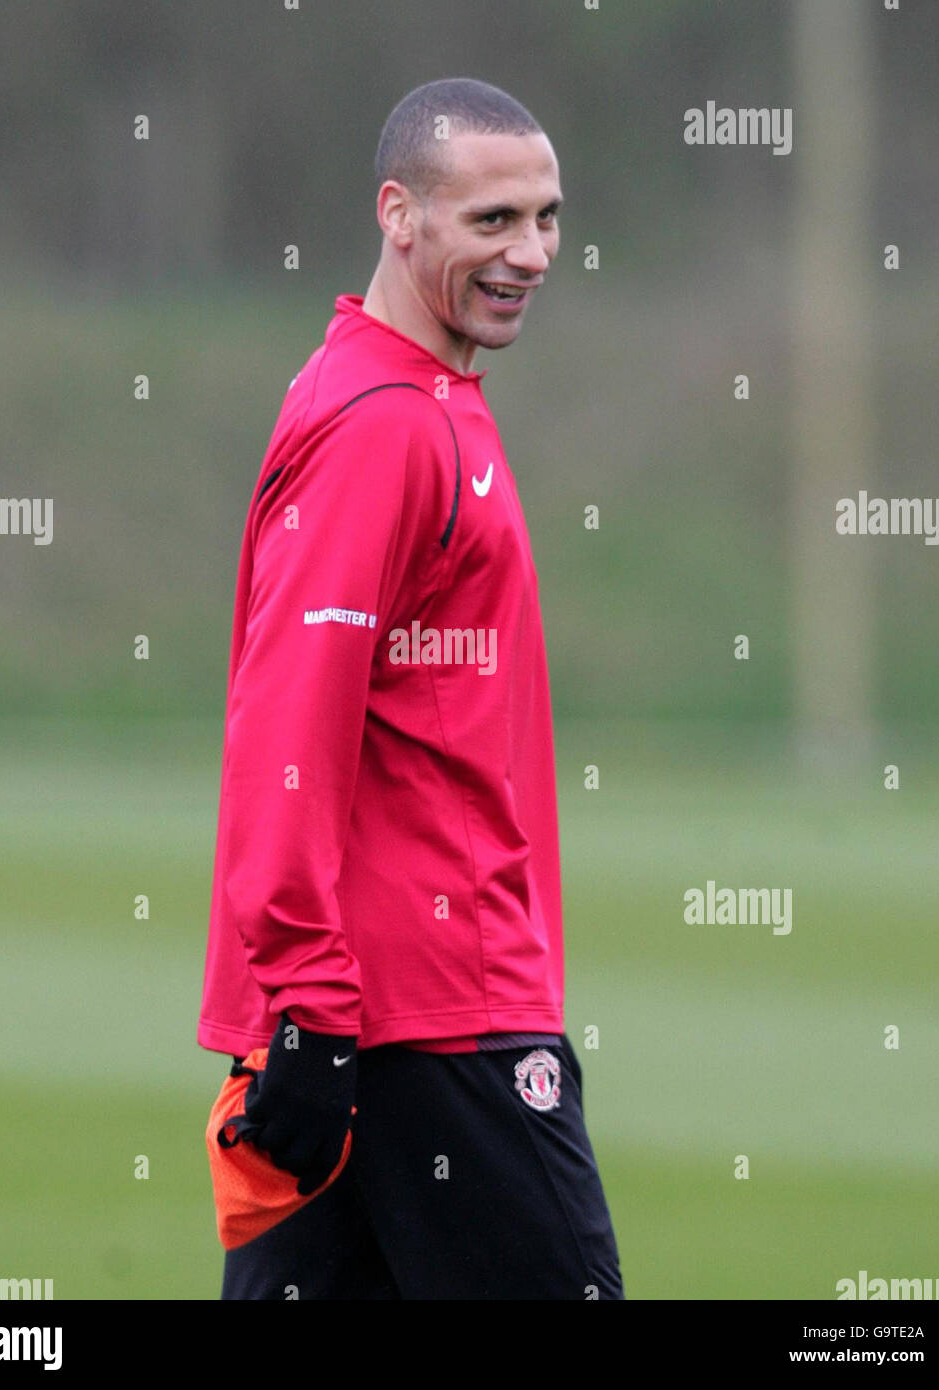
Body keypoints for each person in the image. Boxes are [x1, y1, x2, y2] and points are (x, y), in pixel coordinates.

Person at [199, 76, 625, 1300]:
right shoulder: (384, 423)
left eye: (546, 218)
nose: (532, 252)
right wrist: (314, 1004)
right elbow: (289, 718)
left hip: (377, 1019)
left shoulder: (411, 394)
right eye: (491, 220)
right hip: (428, 1022)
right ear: (399, 214)